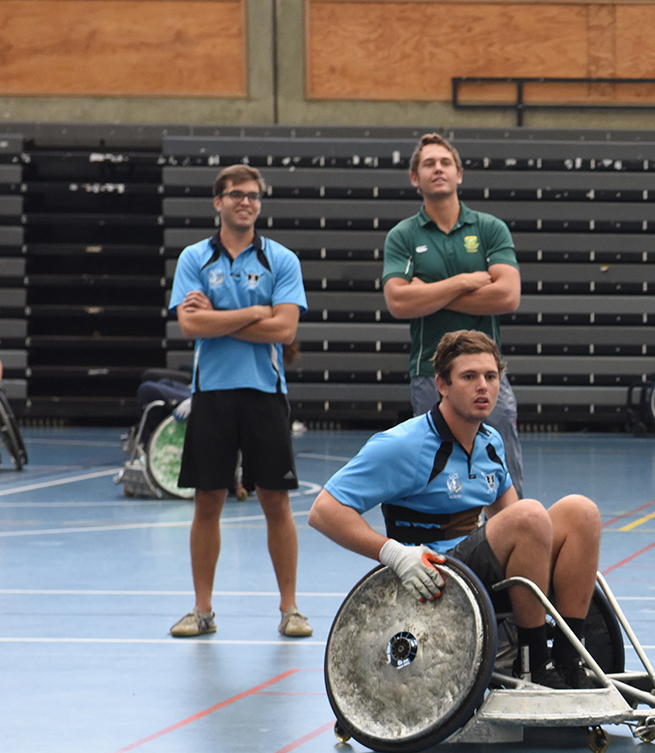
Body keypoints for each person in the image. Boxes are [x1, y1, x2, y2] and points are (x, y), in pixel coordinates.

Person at [308, 332, 604, 690]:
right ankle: (534, 664)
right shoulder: (404, 444)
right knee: (530, 515)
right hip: (438, 575)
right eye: (469, 377)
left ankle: (571, 661)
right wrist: (394, 554)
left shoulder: (490, 442)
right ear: (442, 385)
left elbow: (515, 522)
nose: (483, 386)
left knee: (581, 512)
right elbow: (323, 511)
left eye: (491, 377)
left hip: (480, 570)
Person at [166, 164, 310, 640]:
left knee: (276, 500)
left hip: (266, 393)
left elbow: (285, 329)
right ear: (218, 202)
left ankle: (290, 609)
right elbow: (190, 326)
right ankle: (202, 610)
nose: (245, 202)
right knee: (208, 499)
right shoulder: (193, 258)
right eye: (236, 195)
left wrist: (220, 316)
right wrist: (254, 312)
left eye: (253, 196)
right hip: (212, 393)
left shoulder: (281, 260)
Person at [382, 134, 525, 493]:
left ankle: (514, 543)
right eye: (428, 164)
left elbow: (507, 296)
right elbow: (398, 303)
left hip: (487, 375)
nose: (438, 169)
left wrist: (427, 291)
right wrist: (463, 281)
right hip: (430, 373)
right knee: (433, 475)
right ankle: (438, 548)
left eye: (445, 163)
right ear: (415, 178)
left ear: (459, 174)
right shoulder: (403, 235)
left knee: (503, 470)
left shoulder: (490, 229)